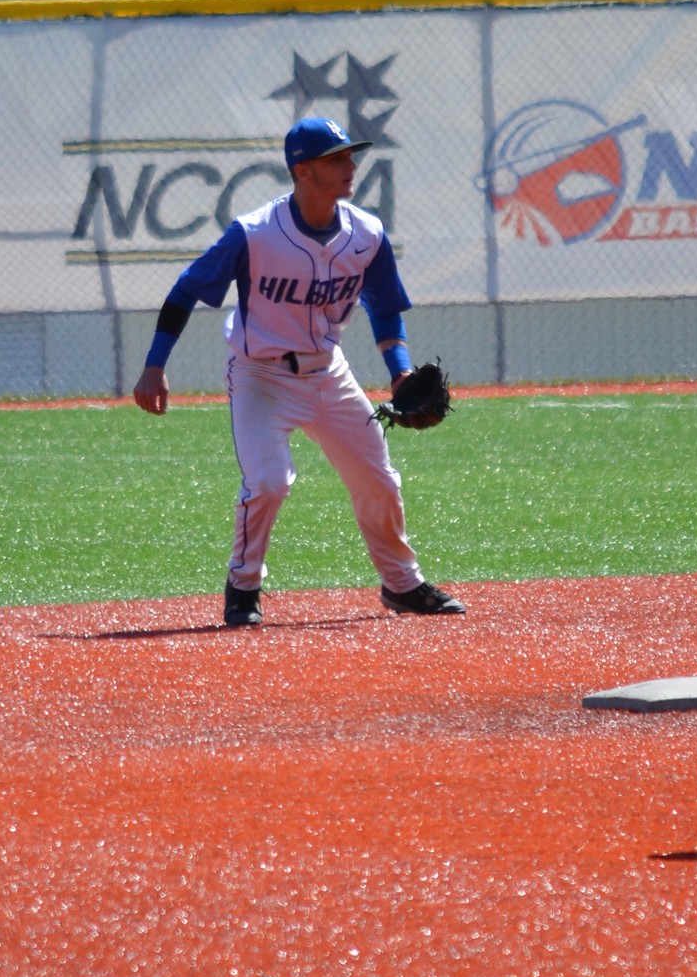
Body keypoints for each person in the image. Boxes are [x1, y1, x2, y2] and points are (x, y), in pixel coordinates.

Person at [132, 117, 466, 627]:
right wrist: (154, 366)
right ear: (303, 170)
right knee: (268, 481)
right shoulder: (255, 233)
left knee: (378, 478)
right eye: (336, 159)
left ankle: (402, 585)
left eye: (349, 156)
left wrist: (398, 374)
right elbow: (183, 292)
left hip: (329, 373)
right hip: (259, 376)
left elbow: (384, 308)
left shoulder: (366, 233)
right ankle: (243, 589)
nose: (350, 165)